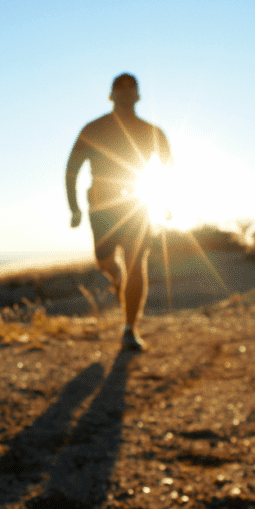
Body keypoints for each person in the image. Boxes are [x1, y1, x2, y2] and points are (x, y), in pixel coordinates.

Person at [66, 73, 172, 351]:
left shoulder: (152, 131)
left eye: (131, 89)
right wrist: (74, 207)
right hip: (101, 206)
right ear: (111, 95)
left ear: (138, 95)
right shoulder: (94, 128)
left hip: (136, 204)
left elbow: (168, 169)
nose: (125, 93)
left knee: (136, 262)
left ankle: (129, 329)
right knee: (104, 262)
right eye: (119, 89)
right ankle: (116, 278)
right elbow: (72, 169)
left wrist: (167, 202)